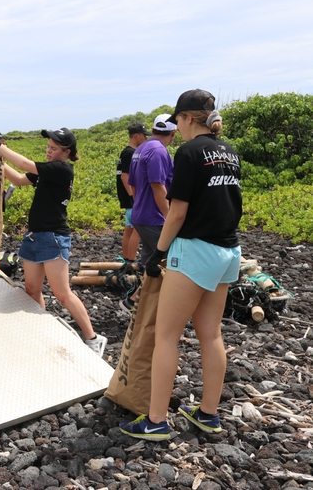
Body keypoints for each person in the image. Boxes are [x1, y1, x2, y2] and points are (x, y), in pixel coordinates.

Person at [119, 89, 242, 440]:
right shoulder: (228, 152)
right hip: (227, 251)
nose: (179, 129)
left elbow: (178, 211)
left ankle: (156, 420)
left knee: (167, 336)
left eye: (179, 122)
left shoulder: (189, 152)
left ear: (188, 118)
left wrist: (158, 251)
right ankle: (208, 414)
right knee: (211, 334)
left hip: (195, 250)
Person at [0, 129, 107, 356]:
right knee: (32, 289)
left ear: (67, 152)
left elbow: (26, 164)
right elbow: (19, 179)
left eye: (54, 148)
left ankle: (93, 338)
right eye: (48, 146)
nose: (49, 151)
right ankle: (40, 330)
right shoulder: (48, 170)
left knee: (62, 292)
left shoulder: (61, 169)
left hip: (53, 238)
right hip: (34, 236)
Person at [121, 114, 177, 311]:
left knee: (149, 261)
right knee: (167, 262)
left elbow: (133, 185)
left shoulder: (141, 148)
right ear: (173, 132)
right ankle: (137, 302)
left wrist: (139, 207)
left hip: (141, 215)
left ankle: (141, 303)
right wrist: (170, 217)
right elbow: (158, 187)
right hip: (155, 219)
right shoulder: (159, 151)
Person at [116, 123, 149, 264]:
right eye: (144, 135)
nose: (146, 138)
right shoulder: (130, 153)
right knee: (136, 229)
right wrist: (134, 197)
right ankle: (130, 259)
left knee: (129, 228)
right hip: (131, 198)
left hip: (128, 198)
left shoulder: (126, 152)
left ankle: (126, 258)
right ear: (136, 136)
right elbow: (125, 176)